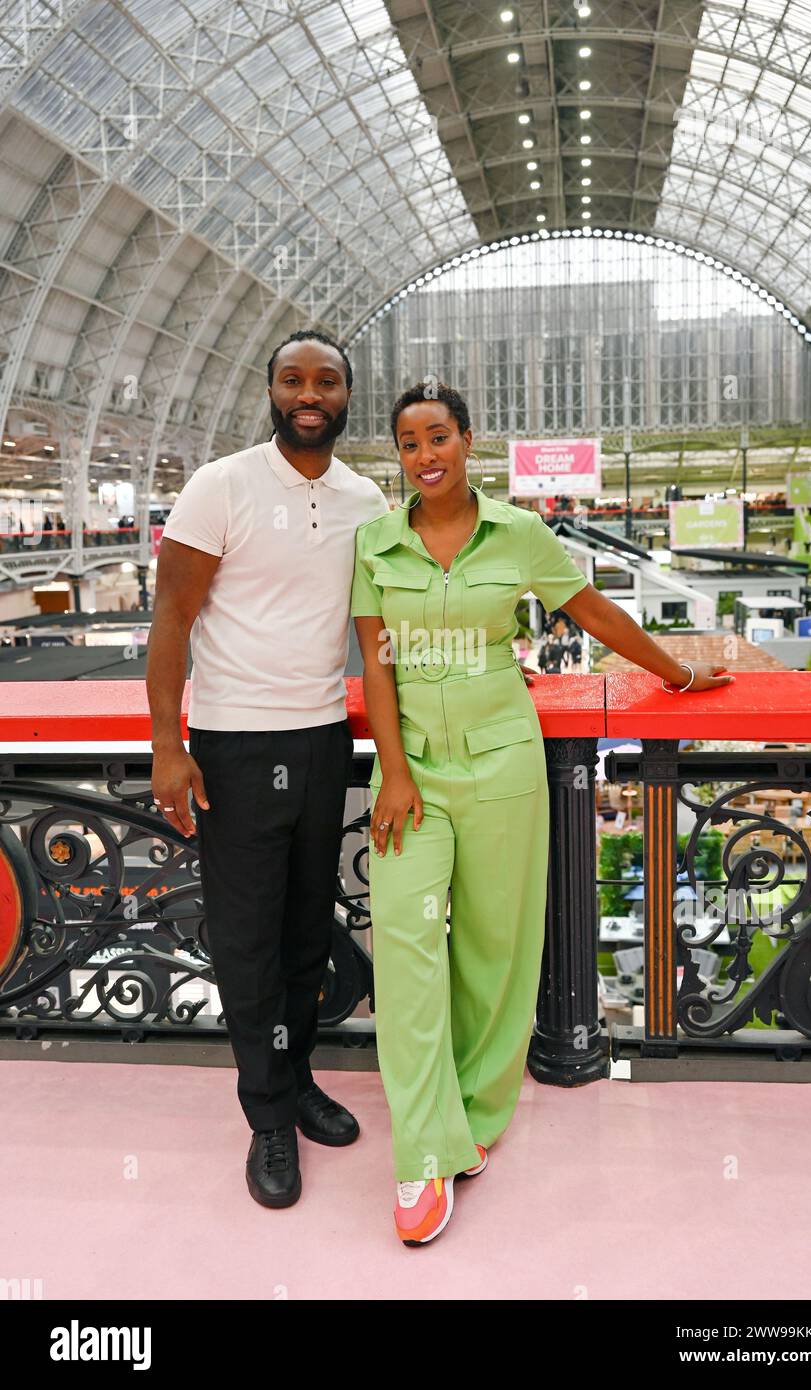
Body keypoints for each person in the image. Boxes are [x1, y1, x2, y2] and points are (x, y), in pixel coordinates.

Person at [351, 382, 733, 1246]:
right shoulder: (374, 543)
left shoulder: (518, 534)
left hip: (504, 764)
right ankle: (422, 1153)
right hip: (411, 777)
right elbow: (378, 663)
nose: (425, 455)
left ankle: (478, 1114)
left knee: (496, 946)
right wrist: (395, 772)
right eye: (409, 443)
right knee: (406, 954)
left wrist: (676, 673)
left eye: (438, 436)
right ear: (399, 457)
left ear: (468, 441)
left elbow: (590, 612)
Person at [146, 330, 387, 1209]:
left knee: (302, 932)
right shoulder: (223, 485)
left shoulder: (366, 498)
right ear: (272, 391)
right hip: (234, 744)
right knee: (246, 942)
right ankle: (268, 1119)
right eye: (293, 380)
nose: (309, 394)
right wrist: (169, 746)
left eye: (326, 381)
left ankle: (298, 1077)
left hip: (323, 739)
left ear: (347, 395)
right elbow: (171, 618)